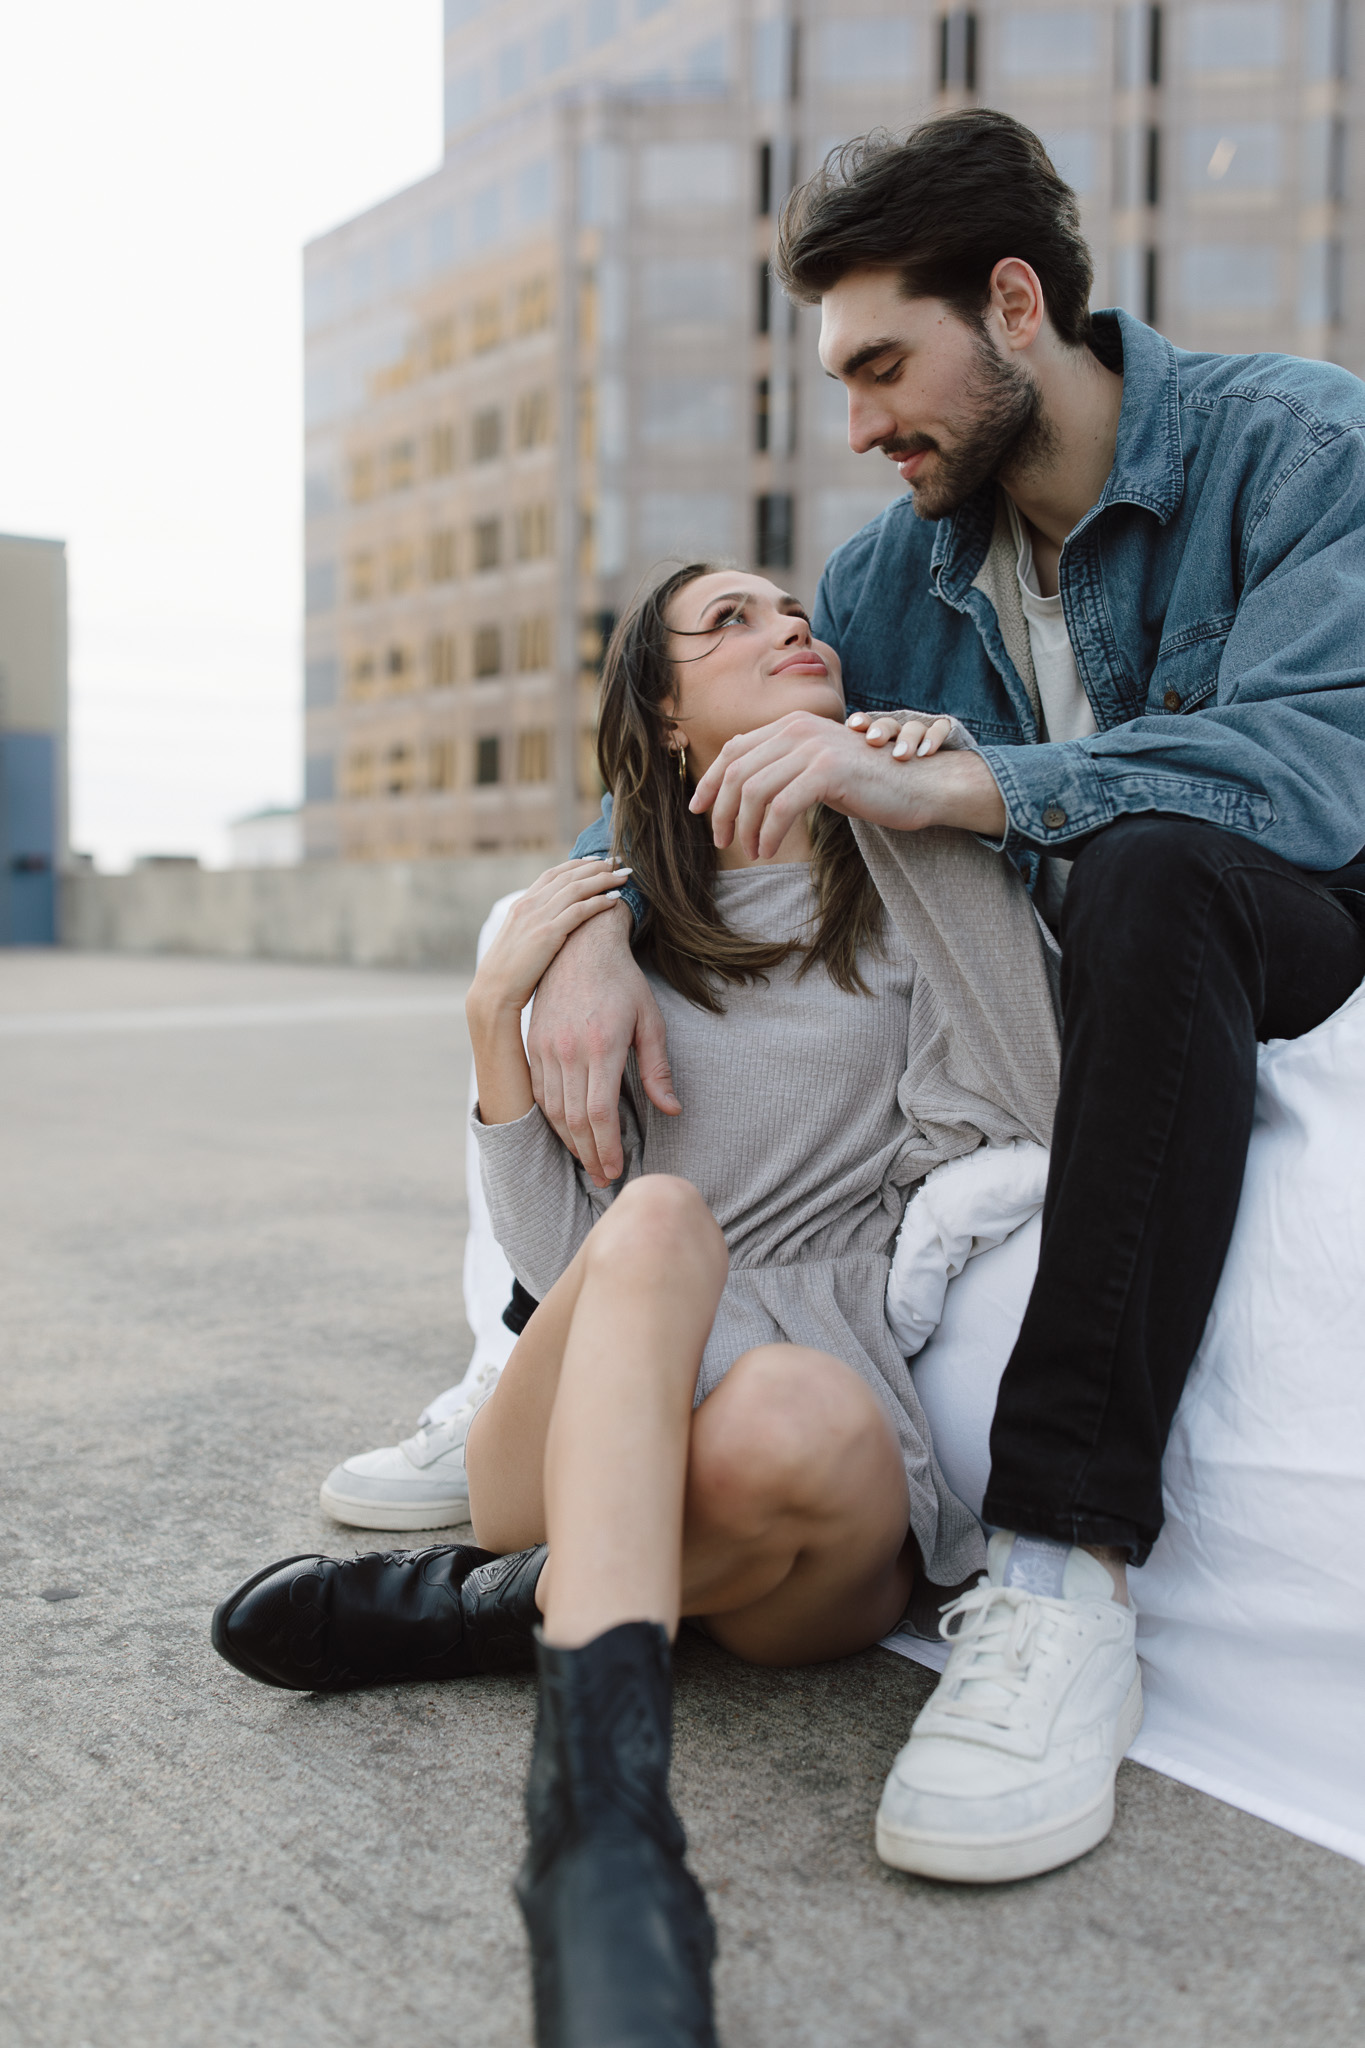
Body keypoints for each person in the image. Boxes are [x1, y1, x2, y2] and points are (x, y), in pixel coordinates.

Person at [519, 110, 1365, 1886]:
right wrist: (582, 920)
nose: (860, 427)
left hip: (1279, 913)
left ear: (1012, 303)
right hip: (1041, 990)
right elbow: (676, 771)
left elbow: (1321, 761)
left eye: (885, 366)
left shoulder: (1295, 443)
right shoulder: (886, 572)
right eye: (838, 381)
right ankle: (545, 1425)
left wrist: (980, 785)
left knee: (1141, 862)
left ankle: (1059, 1572)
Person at [212, 561, 1060, 2043]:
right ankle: (604, 1848)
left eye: (792, 610)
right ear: (664, 721)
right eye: (723, 622)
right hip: (596, 1381)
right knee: (658, 1217)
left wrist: (906, 798)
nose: (785, 626)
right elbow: (560, 1249)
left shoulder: (916, 857)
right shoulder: (612, 917)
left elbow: (1035, 1090)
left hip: (802, 1433)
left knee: (798, 1410)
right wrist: (499, 1017)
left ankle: (497, 1615)